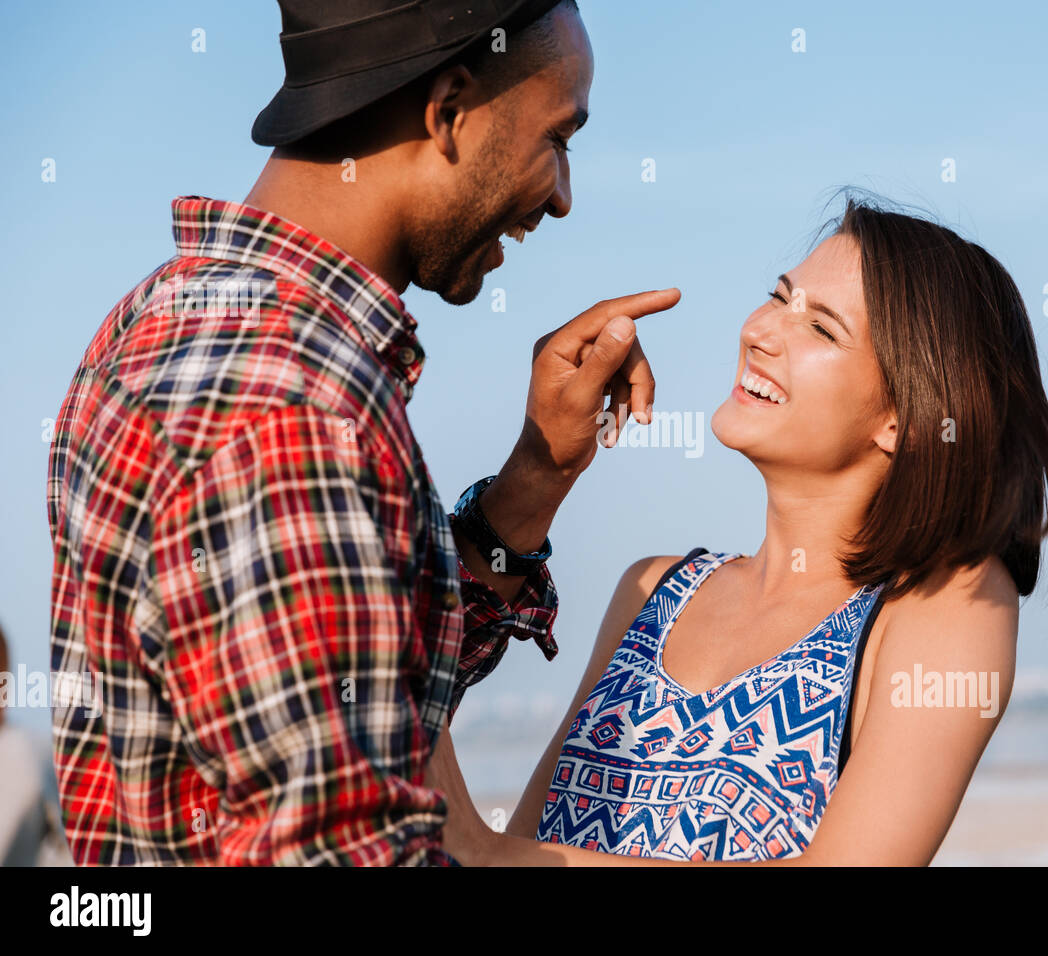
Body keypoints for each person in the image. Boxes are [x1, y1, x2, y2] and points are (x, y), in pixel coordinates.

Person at [46, 0, 679, 865]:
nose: (562, 198)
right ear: (449, 109)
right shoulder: (290, 407)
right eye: (559, 139)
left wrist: (533, 480)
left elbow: (372, 691)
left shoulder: (175, 317)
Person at [431, 196, 1048, 865]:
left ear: (906, 419)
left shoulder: (943, 605)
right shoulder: (654, 591)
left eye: (823, 330)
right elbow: (525, 846)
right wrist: (540, 467)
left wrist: (482, 852)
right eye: (779, 297)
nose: (761, 331)